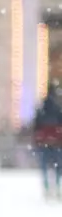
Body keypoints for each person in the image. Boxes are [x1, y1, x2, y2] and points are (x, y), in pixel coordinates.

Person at [33, 49, 62, 199]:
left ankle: (46, 187)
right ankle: (56, 187)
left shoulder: (43, 106)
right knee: (58, 166)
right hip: (57, 140)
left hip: (44, 139)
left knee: (45, 165)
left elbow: (36, 122)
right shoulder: (58, 106)